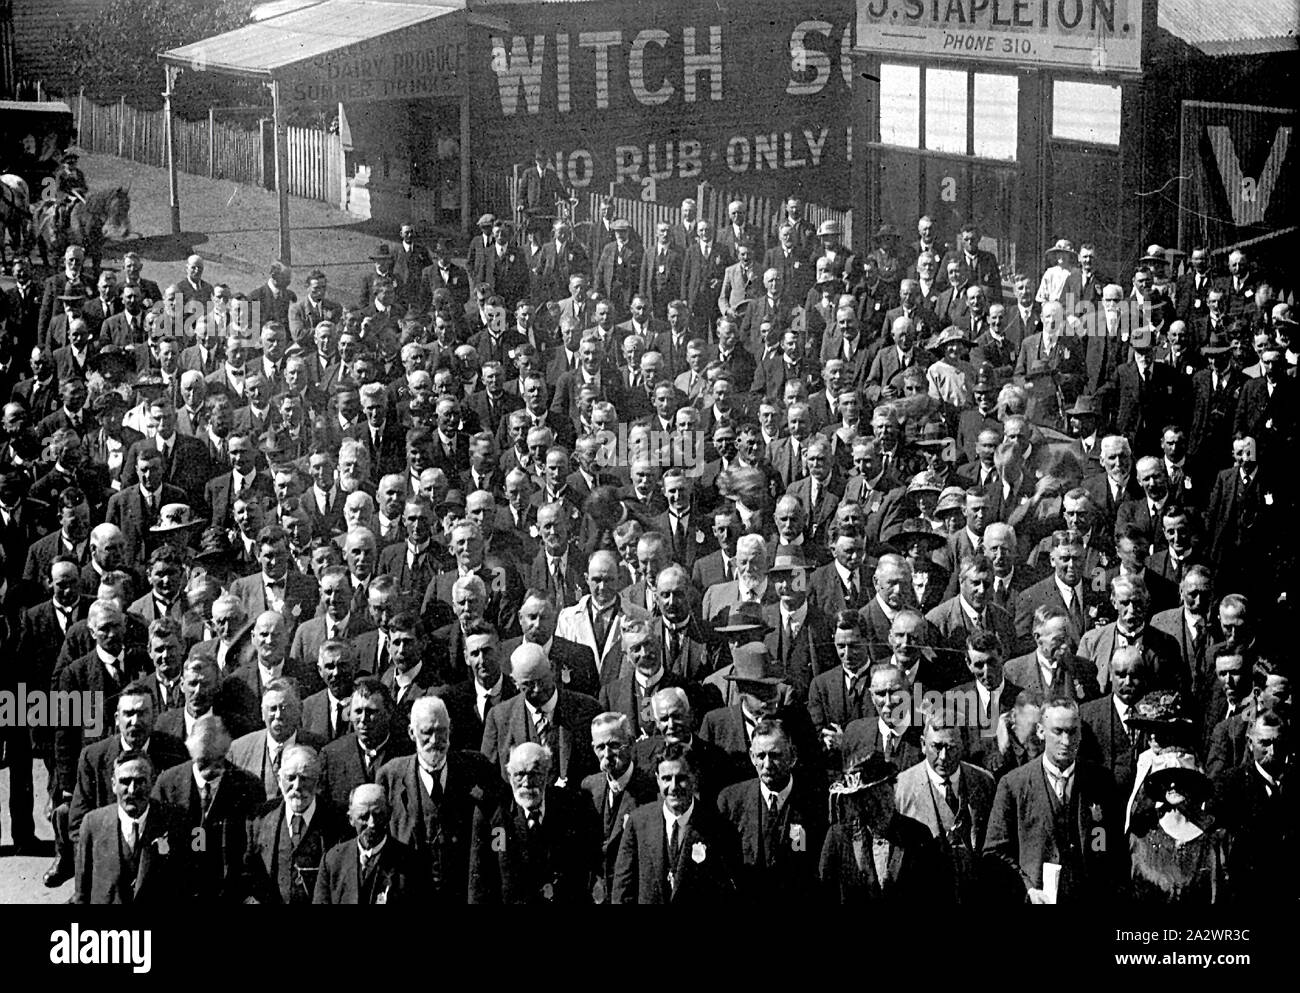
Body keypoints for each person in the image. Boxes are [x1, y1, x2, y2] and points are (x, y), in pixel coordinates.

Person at [983, 697, 1120, 904]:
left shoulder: (1101, 781)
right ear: (1040, 732)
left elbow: (1107, 844)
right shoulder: (1014, 784)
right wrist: (1027, 890)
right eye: (1057, 731)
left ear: (1081, 733)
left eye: (1072, 731)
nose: (1066, 741)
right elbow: (994, 852)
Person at [375, 695, 499, 903]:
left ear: (450, 730)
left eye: (442, 731)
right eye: (427, 732)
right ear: (411, 733)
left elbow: (499, 826)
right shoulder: (389, 776)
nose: (435, 741)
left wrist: (498, 859)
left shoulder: (477, 768)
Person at [467, 741, 597, 904]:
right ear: (509, 776)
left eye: (534, 774)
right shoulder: (493, 815)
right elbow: (479, 884)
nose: (527, 783)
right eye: (519, 774)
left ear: (547, 774)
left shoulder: (571, 806)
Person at [611, 741, 737, 904]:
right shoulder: (638, 822)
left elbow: (728, 894)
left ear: (695, 777)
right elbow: (623, 890)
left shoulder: (718, 827)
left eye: (681, 778)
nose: (673, 787)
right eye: (666, 779)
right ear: (657, 780)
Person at [716, 718, 827, 902]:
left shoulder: (815, 803)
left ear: (792, 756)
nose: (767, 765)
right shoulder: (731, 801)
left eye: (775, 755)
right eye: (761, 756)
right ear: (752, 757)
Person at [818, 752, 944, 904]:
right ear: (858, 804)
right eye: (872, 798)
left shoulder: (918, 835)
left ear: (892, 790)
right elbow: (824, 893)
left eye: (885, 794)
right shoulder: (838, 837)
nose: (882, 805)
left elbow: (934, 894)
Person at [71, 751, 187, 905]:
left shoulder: (174, 821)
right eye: (125, 782)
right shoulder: (93, 823)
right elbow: (82, 893)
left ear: (152, 782)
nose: (132, 790)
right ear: (113, 785)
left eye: (140, 781)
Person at [240, 744, 350, 905]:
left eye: (305, 778)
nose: (297, 786)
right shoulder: (259, 819)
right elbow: (245, 873)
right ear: (279, 779)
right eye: (290, 778)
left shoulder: (339, 821)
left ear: (318, 781)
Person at [1127, 750, 1230, 904]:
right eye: (1167, 779)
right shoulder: (1142, 833)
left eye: (1180, 778)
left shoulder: (1215, 836)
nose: (1173, 785)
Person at [313, 783, 424, 904]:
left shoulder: (411, 862)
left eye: (378, 815)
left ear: (389, 814)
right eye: (363, 817)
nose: (372, 824)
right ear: (351, 819)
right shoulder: (333, 861)